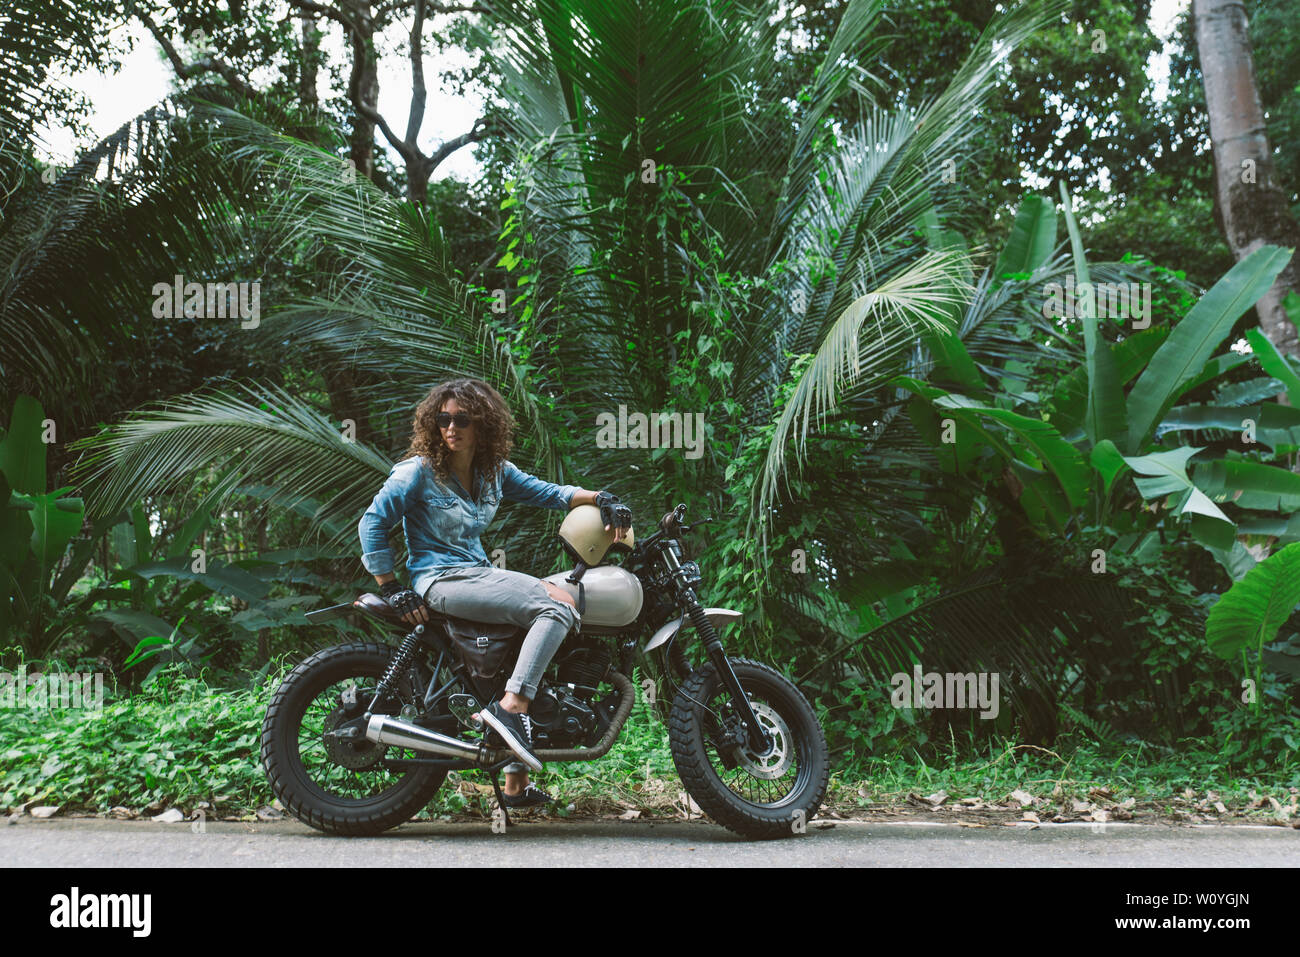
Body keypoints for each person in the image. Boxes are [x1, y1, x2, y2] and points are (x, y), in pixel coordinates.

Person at [357, 377, 631, 806]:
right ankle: (513, 706)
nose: (452, 427)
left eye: (462, 419)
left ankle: (514, 784)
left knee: (526, 638)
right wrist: (390, 586)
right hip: (442, 579)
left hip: (477, 575)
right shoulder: (416, 473)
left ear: (483, 424)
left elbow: (551, 493)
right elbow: (372, 522)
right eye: (443, 419)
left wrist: (602, 497)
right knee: (557, 608)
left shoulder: (493, 473)